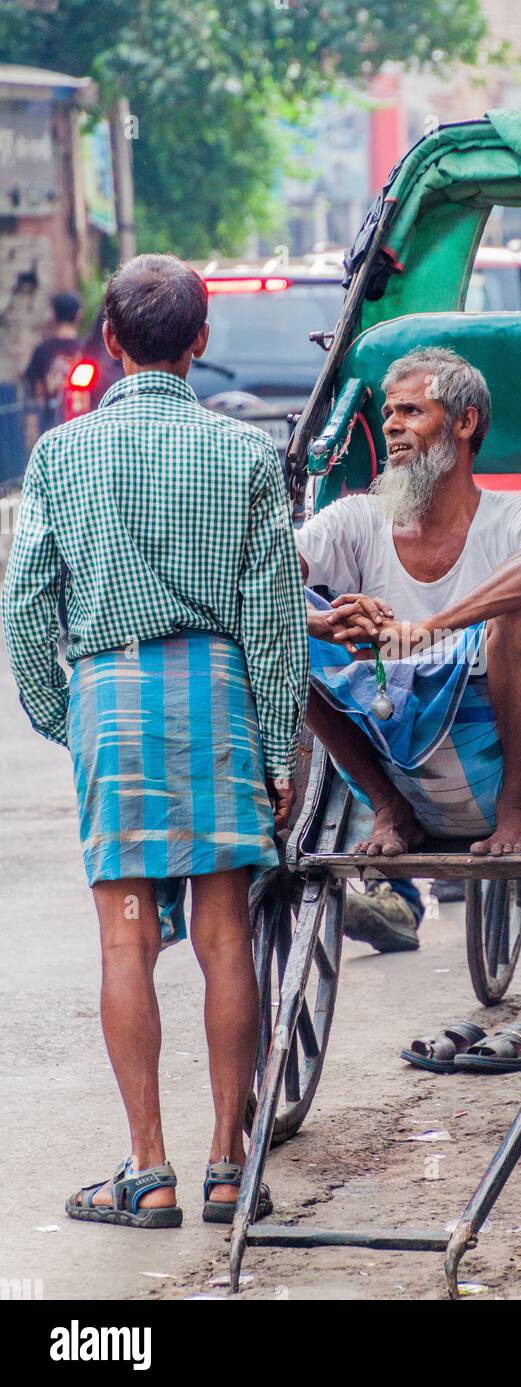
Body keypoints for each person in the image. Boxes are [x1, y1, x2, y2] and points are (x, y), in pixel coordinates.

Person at [2, 254, 308, 1228]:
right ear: (200, 343)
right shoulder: (246, 457)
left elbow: (22, 605)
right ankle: (229, 1166)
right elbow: (272, 622)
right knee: (225, 938)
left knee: (126, 937)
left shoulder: (61, 455)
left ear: (110, 343)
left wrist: (64, 712)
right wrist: (277, 749)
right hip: (217, 697)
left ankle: (149, 1168)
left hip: (113, 700)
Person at [296, 347, 521, 954]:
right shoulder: (357, 520)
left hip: (509, 769)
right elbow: (268, 574)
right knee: (282, 634)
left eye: (411, 412)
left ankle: (516, 812)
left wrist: (433, 627)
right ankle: (390, 810)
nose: (391, 425)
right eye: (388, 413)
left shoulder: (518, 513)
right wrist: (317, 624)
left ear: (465, 423)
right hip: (403, 771)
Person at [23, 291, 82, 433]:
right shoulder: (85, 349)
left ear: (54, 316)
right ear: (78, 316)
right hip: (81, 421)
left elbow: (35, 389)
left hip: (49, 423)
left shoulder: (42, 349)